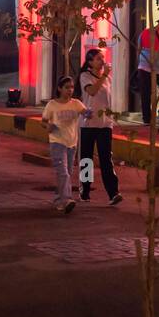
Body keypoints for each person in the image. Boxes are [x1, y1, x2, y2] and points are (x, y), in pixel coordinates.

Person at [78, 49, 122, 206]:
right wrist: (104, 76)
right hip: (88, 124)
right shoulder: (85, 76)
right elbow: (92, 91)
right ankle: (85, 190)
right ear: (90, 62)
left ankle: (113, 193)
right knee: (87, 159)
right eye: (98, 58)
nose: (102, 61)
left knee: (106, 158)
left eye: (102, 57)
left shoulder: (107, 78)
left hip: (105, 124)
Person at [42, 75, 84, 213]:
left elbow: (86, 112)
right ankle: (67, 199)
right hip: (57, 142)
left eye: (72, 87)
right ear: (59, 88)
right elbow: (44, 121)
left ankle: (59, 199)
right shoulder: (52, 105)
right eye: (66, 87)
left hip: (72, 142)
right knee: (63, 173)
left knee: (68, 172)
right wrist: (48, 126)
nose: (70, 90)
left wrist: (91, 113)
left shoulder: (76, 103)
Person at [135, 24, 159, 126]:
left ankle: (147, 119)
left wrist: (139, 62)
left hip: (144, 66)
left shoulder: (145, 32)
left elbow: (139, 49)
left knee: (145, 94)